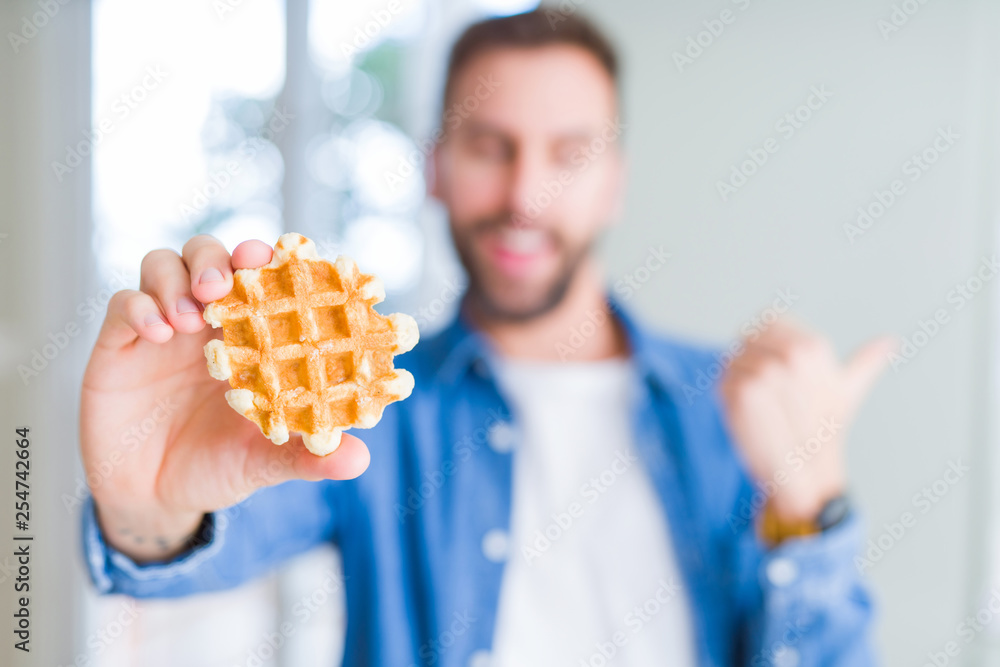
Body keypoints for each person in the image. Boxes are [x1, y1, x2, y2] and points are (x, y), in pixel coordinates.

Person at [80, 9, 892, 666]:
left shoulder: (734, 410)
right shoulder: (369, 408)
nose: (525, 194)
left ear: (614, 181)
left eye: (569, 153)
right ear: (435, 166)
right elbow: (197, 536)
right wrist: (147, 507)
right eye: (487, 146)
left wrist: (812, 500)